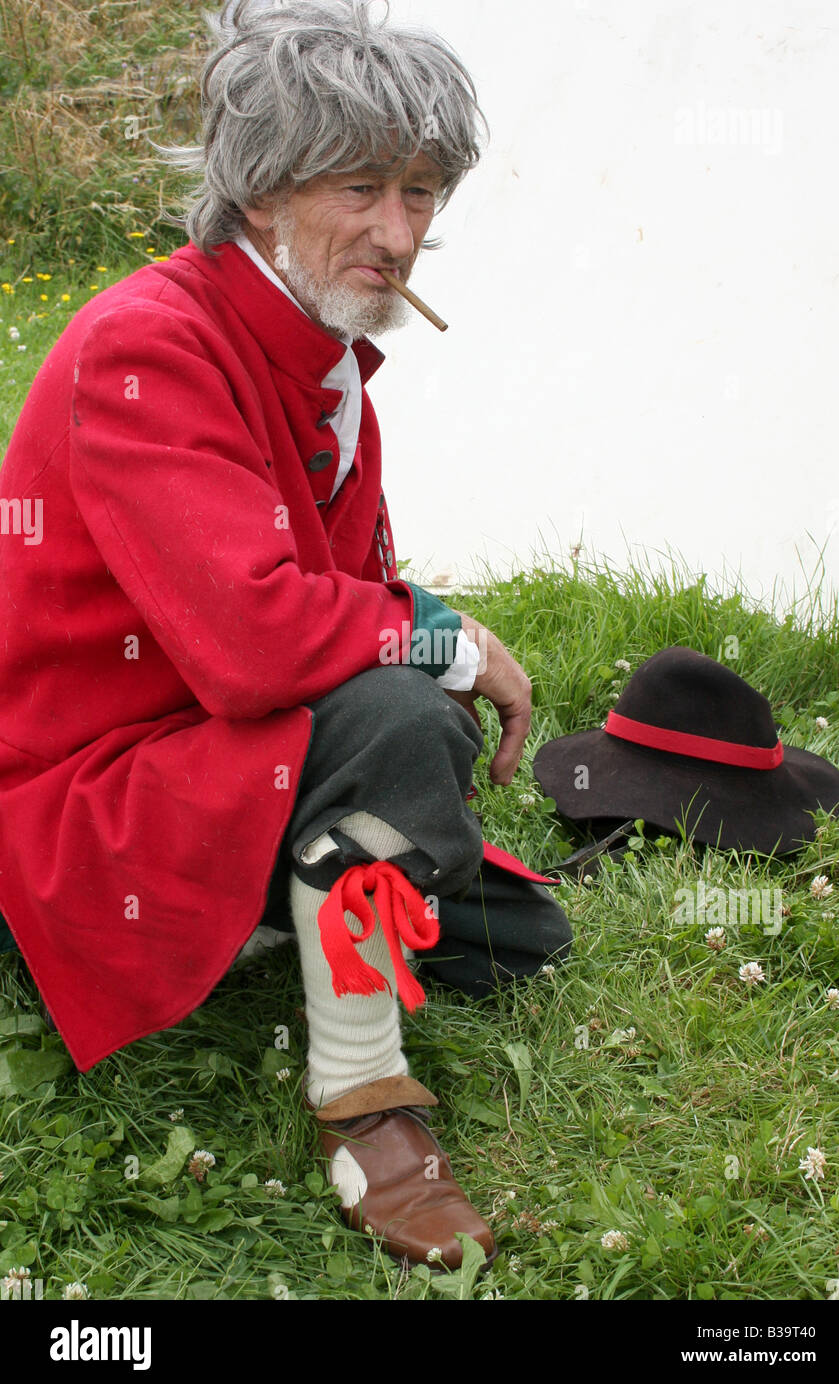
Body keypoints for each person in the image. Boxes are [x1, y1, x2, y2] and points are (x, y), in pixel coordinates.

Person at [0, 0, 571, 1270]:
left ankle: (299, 904)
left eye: (422, 193)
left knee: (518, 938)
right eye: (360, 185)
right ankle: (365, 1105)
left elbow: (330, 589)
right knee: (407, 711)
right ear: (260, 193)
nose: (399, 231)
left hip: (219, 755)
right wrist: (450, 643)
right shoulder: (148, 345)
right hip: (92, 806)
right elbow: (259, 640)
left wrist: (413, 622)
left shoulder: (322, 355)